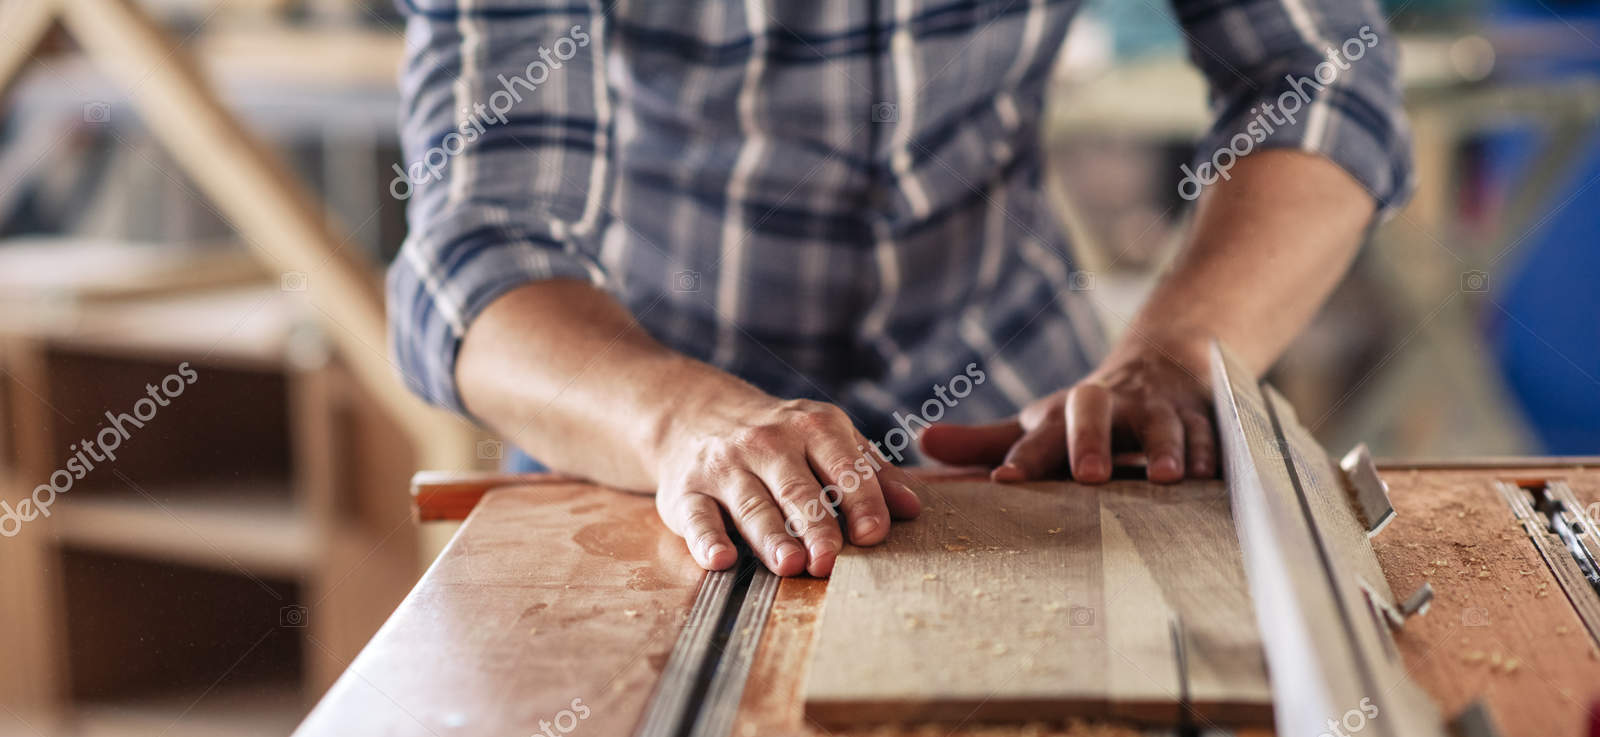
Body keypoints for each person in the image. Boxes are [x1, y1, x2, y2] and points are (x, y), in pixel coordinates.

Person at [389, 1, 1413, 577]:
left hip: (1015, 424)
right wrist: (677, 422)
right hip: (643, 438)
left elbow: (1320, 77)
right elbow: (480, 246)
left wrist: (1179, 355)